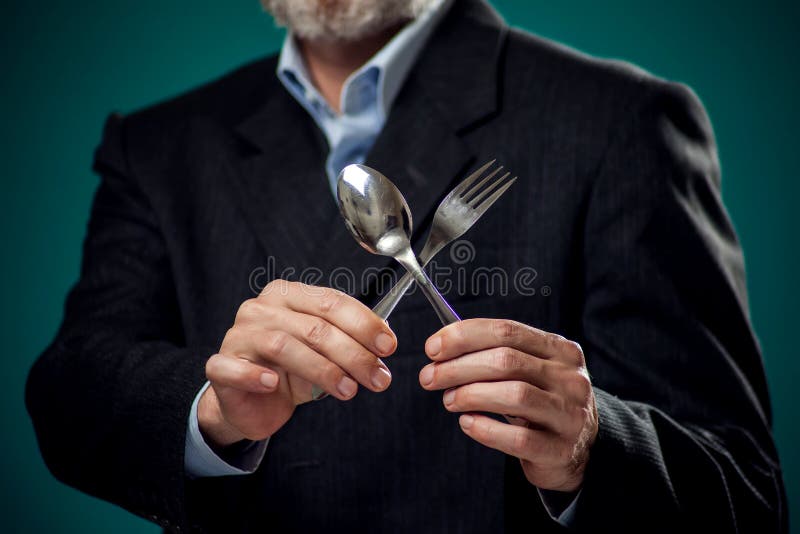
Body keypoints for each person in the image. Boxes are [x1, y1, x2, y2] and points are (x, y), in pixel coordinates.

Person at [25, 0, 787, 532]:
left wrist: (590, 443)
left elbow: (745, 497)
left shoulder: (619, 122)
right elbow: (72, 393)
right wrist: (217, 412)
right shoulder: (160, 146)